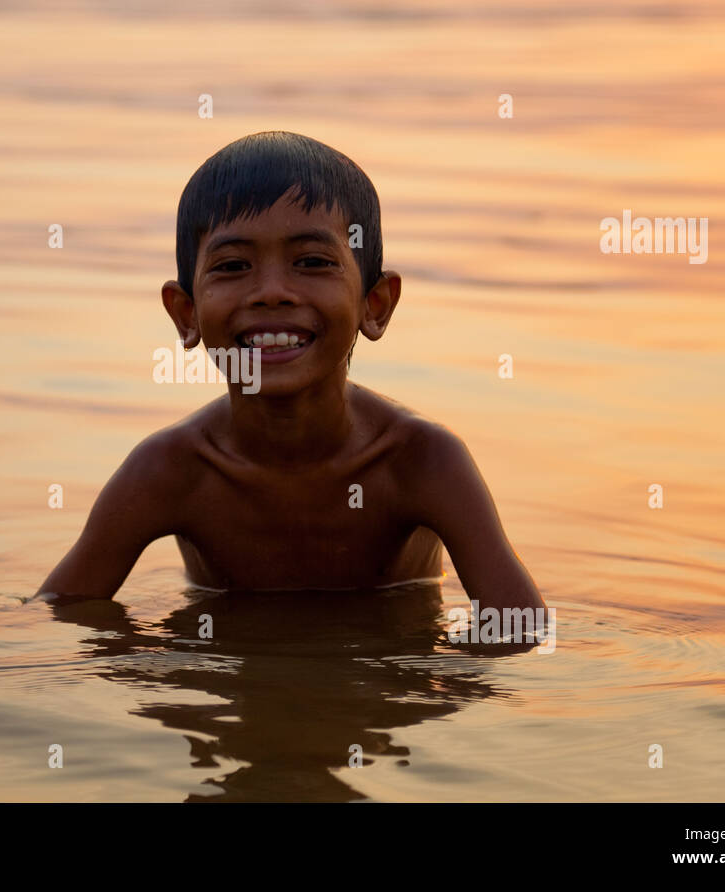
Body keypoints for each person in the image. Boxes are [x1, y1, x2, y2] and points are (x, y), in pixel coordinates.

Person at [36, 131, 546, 619]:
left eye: (312, 261)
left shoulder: (421, 462)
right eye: (233, 267)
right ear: (185, 314)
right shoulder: (170, 471)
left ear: (375, 305)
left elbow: (518, 630)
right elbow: (62, 613)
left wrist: (418, 689)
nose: (272, 292)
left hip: (377, 702)